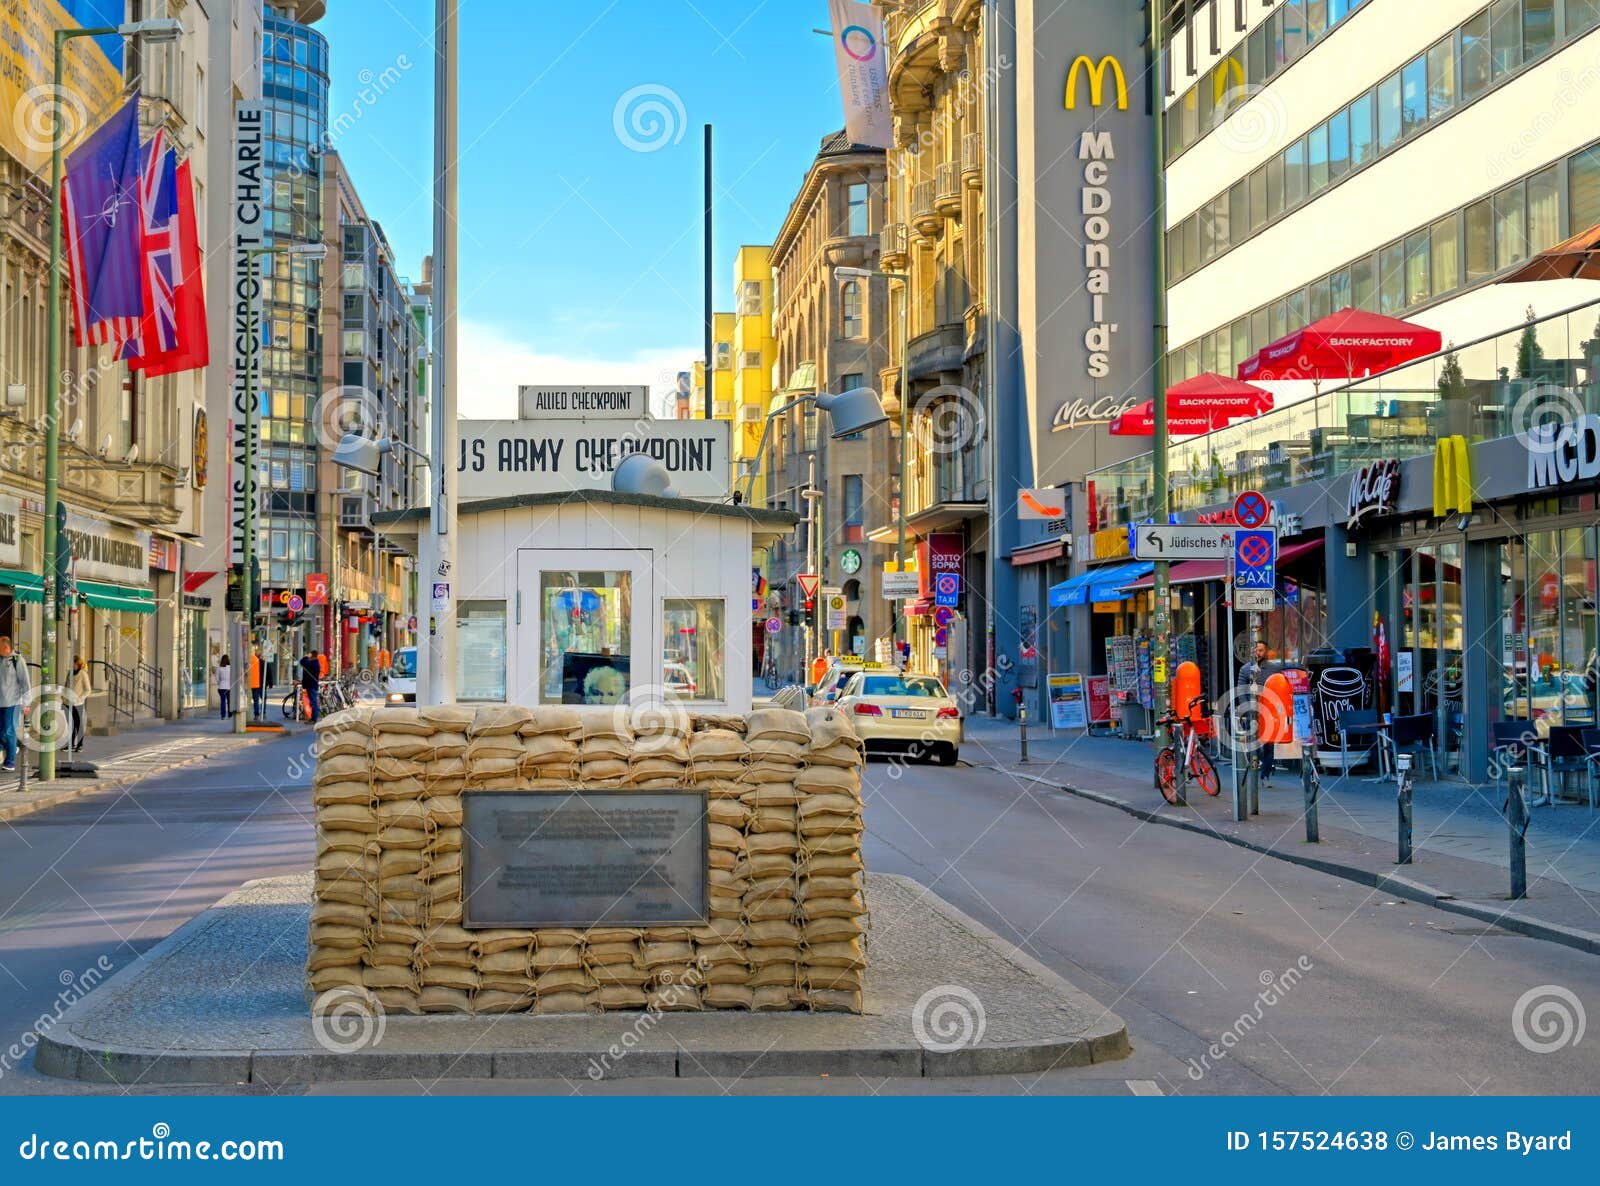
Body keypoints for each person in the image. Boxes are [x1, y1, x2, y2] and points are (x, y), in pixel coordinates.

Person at [1241, 641, 1275, 781]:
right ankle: (1255, 770)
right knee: (1254, 745)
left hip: (1268, 712)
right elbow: (1241, 691)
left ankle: (1265, 775)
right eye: (1256, 650)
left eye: (1261, 650)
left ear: (1266, 652)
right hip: (1252, 712)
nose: (1258, 653)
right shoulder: (1245, 669)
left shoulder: (1273, 669)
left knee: (1268, 745)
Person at [0, 635, 29, 772]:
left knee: (8, 731)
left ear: (6, 647)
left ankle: (10, 762)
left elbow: (25, 683)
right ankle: (11, 747)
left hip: (12, 702)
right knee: (2, 732)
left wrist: (26, 703)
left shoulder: (17, 660)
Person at [69, 656, 89, 752]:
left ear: (77, 663)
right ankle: (71, 744)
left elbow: (88, 690)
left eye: (72, 662)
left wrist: (79, 699)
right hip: (67, 702)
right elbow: (66, 685)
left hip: (78, 704)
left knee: (78, 724)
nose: (71, 664)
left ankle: (80, 745)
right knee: (71, 724)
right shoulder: (70, 673)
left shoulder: (83, 674)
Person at [299, 650, 321, 722]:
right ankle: (313, 717)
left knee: (313, 702)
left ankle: (314, 718)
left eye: (310, 655)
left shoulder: (313, 663)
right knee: (313, 701)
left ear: (312, 655)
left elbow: (302, 662)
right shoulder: (314, 663)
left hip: (311, 685)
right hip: (311, 684)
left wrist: (306, 657)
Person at [216, 654, 233, 720]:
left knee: (223, 701)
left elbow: (217, 678)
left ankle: (223, 715)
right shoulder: (231, 668)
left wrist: (220, 683)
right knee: (229, 701)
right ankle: (230, 714)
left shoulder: (219, 668)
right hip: (229, 687)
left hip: (221, 687)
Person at [250, 647, 264, 720]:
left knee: (247, 700)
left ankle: (247, 713)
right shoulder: (257, 660)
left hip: (248, 683)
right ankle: (256, 714)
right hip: (256, 683)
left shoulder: (247, 660)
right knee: (256, 700)